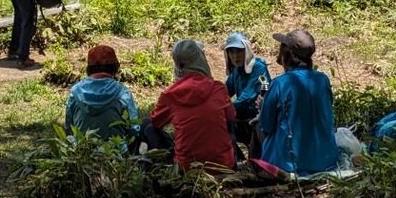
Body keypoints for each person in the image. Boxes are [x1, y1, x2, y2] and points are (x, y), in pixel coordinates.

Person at [146, 39, 236, 171]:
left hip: (187, 167)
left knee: (146, 126)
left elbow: (156, 122)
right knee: (230, 123)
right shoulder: (218, 88)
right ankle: (234, 159)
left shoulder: (170, 95)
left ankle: (155, 166)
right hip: (223, 165)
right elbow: (231, 116)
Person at [258, 28, 338, 176]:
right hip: (326, 160)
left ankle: (259, 167)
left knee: (257, 128)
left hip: (290, 163)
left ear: (287, 54)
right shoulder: (322, 80)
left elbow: (266, 125)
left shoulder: (280, 84)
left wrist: (263, 106)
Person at [65, 45, 138, 141]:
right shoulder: (122, 93)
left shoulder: (75, 92)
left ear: (89, 69)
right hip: (116, 152)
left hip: (82, 150)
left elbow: (69, 128)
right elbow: (134, 129)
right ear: (114, 68)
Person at [222, 31, 272, 162]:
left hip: (259, 121)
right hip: (243, 118)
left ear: (247, 51)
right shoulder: (236, 71)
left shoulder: (258, 68)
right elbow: (224, 93)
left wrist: (224, 110)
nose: (235, 56)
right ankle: (238, 160)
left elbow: (247, 97)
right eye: (231, 52)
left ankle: (243, 161)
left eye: (239, 51)